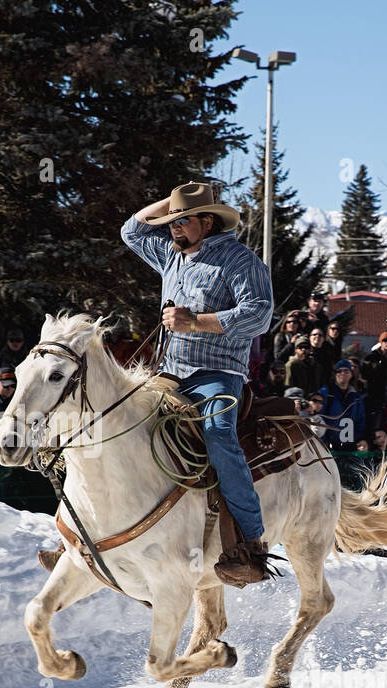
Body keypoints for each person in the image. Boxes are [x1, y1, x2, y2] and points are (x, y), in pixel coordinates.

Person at [122, 180, 273, 584]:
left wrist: (196, 322)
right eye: (171, 220)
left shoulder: (241, 261)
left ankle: (251, 541)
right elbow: (131, 231)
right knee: (117, 423)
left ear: (208, 221)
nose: (173, 227)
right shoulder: (169, 254)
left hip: (217, 375)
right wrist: (173, 202)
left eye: (183, 220)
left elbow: (259, 315)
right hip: (168, 373)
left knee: (219, 435)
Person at [316, 360, 366, 451]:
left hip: (350, 448)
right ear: (335, 374)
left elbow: (360, 421)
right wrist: (324, 441)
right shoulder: (326, 393)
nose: (342, 373)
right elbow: (318, 416)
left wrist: (356, 440)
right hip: (329, 447)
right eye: (339, 371)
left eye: (346, 371)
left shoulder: (356, 396)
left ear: (351, 374)